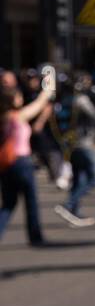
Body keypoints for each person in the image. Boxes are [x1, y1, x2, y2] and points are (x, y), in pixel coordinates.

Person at [0, 79, 57, 246]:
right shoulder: (18, 116)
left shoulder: (3, 119)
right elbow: (39, 104)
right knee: (30, 200)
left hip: (5, 164)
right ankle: (35, 237)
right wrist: (48, 87)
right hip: (22, 161)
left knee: (9, 203)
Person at [54, 73, 95, 227]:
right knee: (94, 178)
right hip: (83, 144)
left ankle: (73, 212)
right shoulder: (81, 100)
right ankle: (68, 205)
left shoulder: (65, 99)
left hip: (70, 144)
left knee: (78, 178)